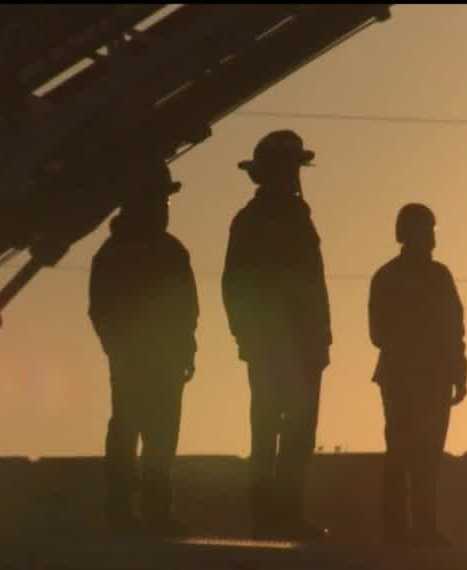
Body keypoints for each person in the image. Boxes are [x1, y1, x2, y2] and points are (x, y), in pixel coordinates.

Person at [222, 130, 331, 540]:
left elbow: (313, 285)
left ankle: (286, 513)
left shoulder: (297, 219)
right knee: (269, 432)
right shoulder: (253, 222)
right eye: (288, 169)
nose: (294, 177)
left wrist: (321, 338)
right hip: (273, 345)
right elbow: (235, 286)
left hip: (303, 346)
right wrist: (248, 337)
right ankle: (269, 515)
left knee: (297, 434)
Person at [88, 159, 198, 537]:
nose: (163, 208)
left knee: (157, 436)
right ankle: (127, 512)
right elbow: (101, 309)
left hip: (157, 359)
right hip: (139, 359)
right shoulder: (131, 253)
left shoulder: (161, 251)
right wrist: (120, 348)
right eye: (157, 200)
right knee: (136, 432)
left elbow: (187, 309)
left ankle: (148, 512)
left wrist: (186, 350)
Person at [368, 204, 467, 548]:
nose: (431, 239)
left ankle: (421, 527)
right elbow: (378, 333)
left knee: (426, 455)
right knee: (403, 452)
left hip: (430, 377)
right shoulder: (395, 277)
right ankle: (398, 530)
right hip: (406, 377)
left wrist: (458, 369)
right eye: (426, 231)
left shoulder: (434, 276)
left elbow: (455, 328)